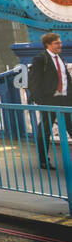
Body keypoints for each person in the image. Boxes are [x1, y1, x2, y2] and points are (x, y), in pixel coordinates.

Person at [29, 32, 71, 170]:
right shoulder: (41, 59)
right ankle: (43, 161)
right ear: (48, 44)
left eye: (60, 42)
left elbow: (66, 79)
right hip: (49, 100)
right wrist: (41, 100)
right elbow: (34, 81)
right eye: (57, 43)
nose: (60, 45)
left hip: (65, 100)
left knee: (71, 127)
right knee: (45, 130)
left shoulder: (60, 59)